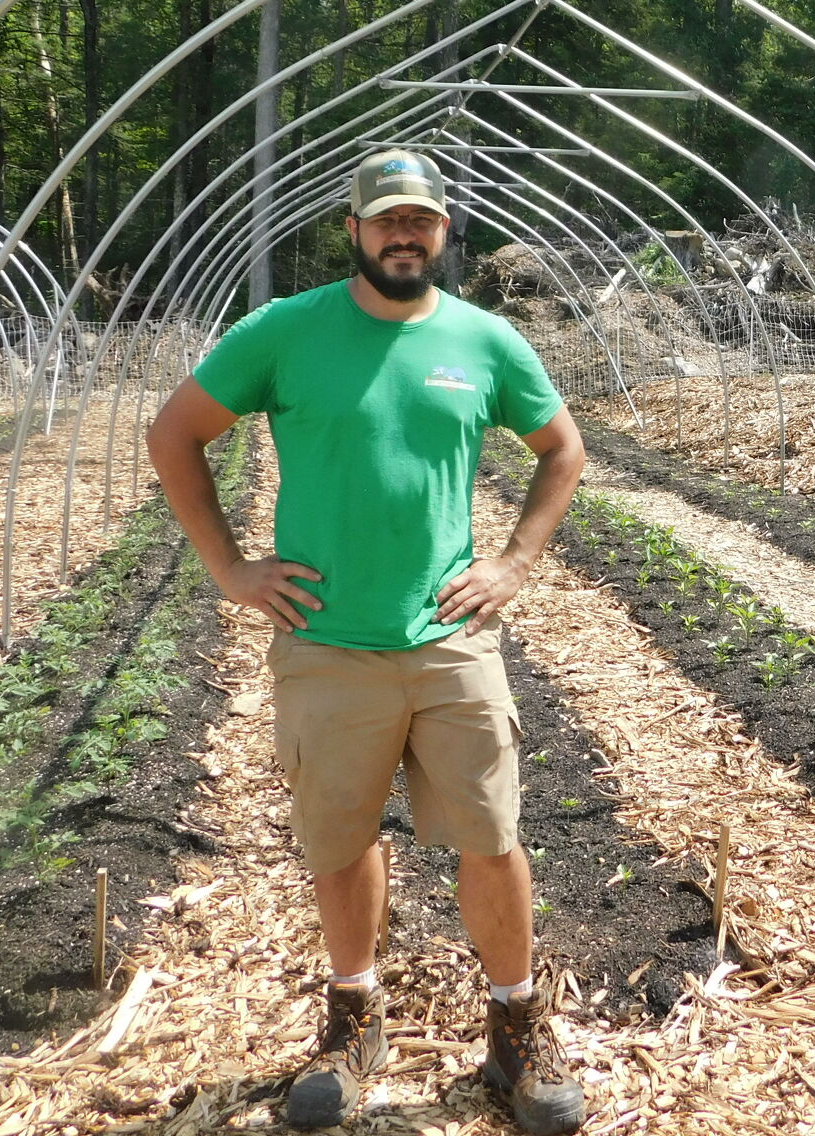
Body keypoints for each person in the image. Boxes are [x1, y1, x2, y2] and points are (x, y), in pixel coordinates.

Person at [146, 148, 587, 1133]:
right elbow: (173, 434)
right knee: (340, 841)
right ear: (351, 229)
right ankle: (354, 1016)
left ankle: (516, 1025)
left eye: (419, 221)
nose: (403, 234)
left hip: (450, 640)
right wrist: (229, 568)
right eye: (386, 219)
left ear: (442, 232)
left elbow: (563, 451)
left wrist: (512, 563)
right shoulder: (286, 332)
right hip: (325, 641)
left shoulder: (484, 341)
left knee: (492, 836)